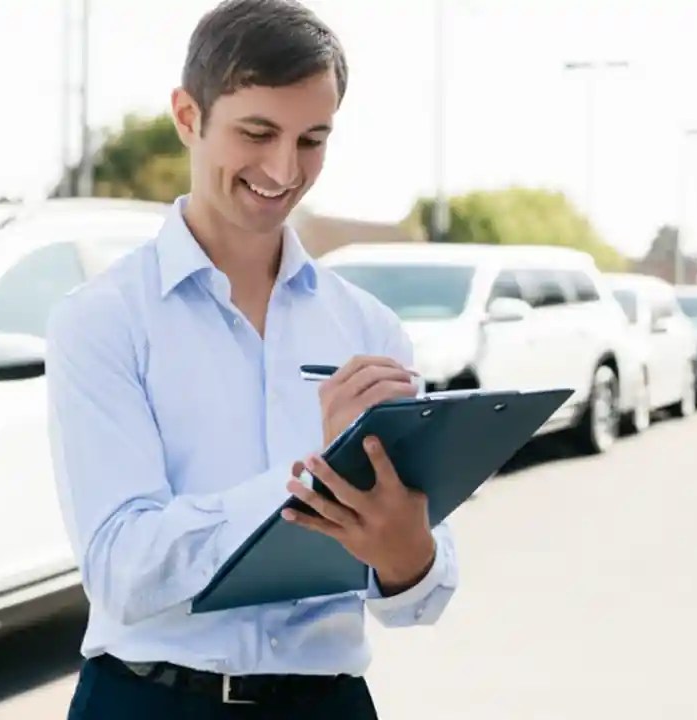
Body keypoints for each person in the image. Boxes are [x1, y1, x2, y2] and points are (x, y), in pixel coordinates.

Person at [45, 1, 459, 716]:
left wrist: (406, 553)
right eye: (258, 132)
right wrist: (317, 466)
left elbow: (419, 601)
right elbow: (121, 568)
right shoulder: (103, 319)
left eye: (312, 139)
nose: (283, 168)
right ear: (187, 116)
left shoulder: (369, 328)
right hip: (150, 701)